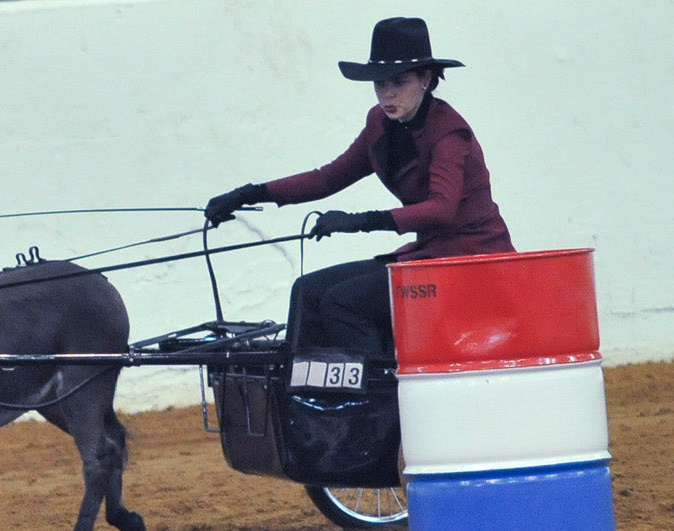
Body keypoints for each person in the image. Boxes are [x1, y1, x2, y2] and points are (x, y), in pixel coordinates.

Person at [205, 17, 515, 357]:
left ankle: (377, 400)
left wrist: (359, 221)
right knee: (307, 291)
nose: (387, 93)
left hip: (469, 264)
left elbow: (442, 210)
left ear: (426, 78)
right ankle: (305, 403)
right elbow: (328, 177)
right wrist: (249, 193)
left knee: (344, 302)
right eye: (380, 84)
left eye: (399, 82)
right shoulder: (380, 124)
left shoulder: (449, 133)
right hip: (426, 258)